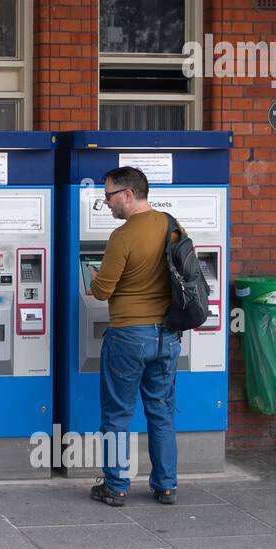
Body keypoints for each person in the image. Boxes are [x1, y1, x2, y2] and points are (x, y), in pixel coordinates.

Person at [86, 166, 181, 507]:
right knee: (161, 411)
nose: (107, 203)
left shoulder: (122, 237)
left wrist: (95, 276)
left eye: (109, 196)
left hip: (128, 335)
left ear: (128, 194)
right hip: (167, 336)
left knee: (118, 415)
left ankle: (116, 486)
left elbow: (102, 291)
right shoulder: (171, 226)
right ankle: (166, 485)